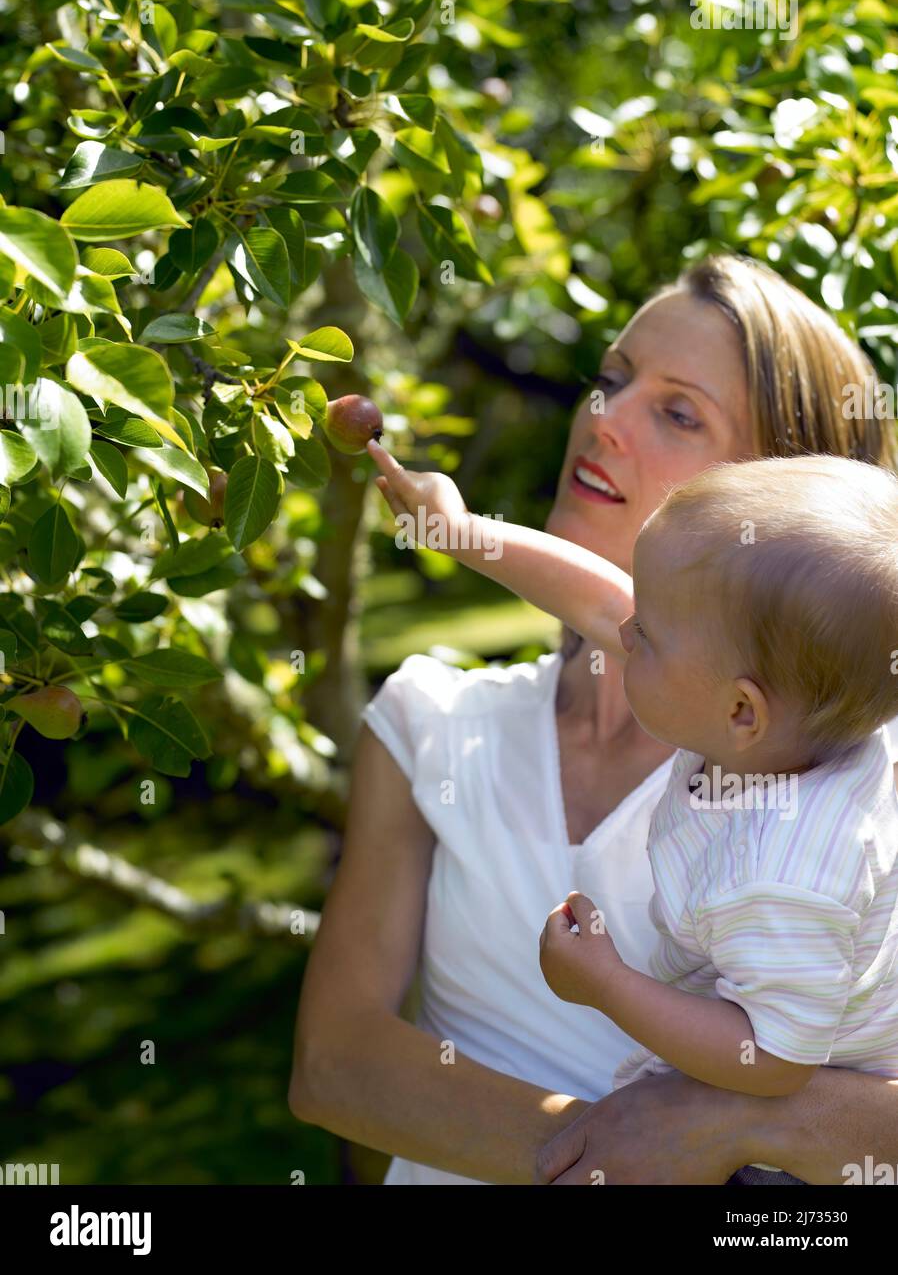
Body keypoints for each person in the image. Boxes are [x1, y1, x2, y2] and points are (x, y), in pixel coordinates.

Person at [289, 254, 898, 1185]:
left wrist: (730, 1135)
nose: (603, 417)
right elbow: (337, 1064)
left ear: (780, 508)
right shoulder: (432, 719)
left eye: (679, 412)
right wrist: (602, 1152)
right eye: (610, 380)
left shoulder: (845, 788)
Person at [366, 443, 898, 1183]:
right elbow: (596, 594)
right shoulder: (789, 720)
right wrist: (459, 531)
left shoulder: (783, 874)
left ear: (741, 709)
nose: (620, 630)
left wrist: (607, 983)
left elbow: (771, 1059)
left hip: (784, 1160)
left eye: (645, 634)